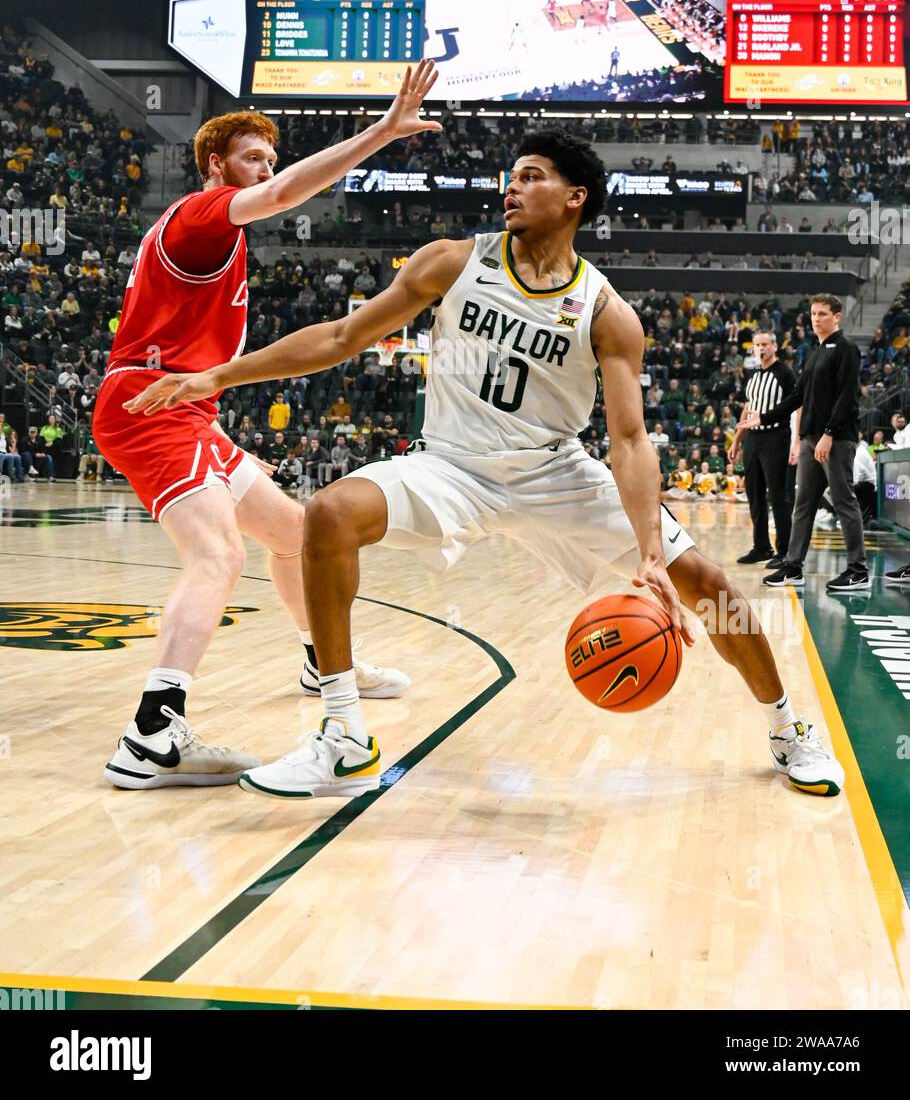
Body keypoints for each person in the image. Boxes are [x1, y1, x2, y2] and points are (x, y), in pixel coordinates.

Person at [128, 126, 844, 802]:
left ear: (574, 199)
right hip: (451, 467)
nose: (511, 187)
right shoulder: (452, 259)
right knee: (329, 513)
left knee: (710, 584)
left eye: (531, 177)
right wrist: (218, 376)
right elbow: (345, 335)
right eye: (510, 176)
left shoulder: (605, 311)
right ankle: (342, 734)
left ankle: (788, 728)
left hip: (554, 472)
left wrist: (652, 549)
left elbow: (628, 440)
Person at [93, 61, 441, 789]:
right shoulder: (199, 215)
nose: (267, 168)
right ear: (216, 164)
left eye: (270, 156)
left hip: (185, 408)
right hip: (153, 404)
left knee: (297, 533)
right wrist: (380, 131)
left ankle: (321, 662)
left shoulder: (214, 240)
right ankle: (152, 735)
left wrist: (222, 440)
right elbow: (284, 195)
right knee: (219, 556)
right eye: (252, 157)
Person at [744, 294, 868, 594]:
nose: (816, 319)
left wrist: (829, 433)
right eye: (814, 313)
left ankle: (857, 570)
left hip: (835, 439)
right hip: (811, 439)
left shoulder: (846, 349)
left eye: (823, 314)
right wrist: (764, 416)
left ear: (837, 317)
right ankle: (793, 565)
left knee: (844, 502)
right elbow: (797, 396)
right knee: (802, 505)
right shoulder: (814, 351)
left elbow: (848, 397)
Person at [728, 331, 797, 566]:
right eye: (757, 345)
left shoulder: (785, 373)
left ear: (775, 346)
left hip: (776, 435)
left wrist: (796, 441)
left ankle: (785, 550)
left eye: (765, 344)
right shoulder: (752, 375)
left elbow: (798, 406)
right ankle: (761, 547)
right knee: (754, 494)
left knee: (777, 495)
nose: (761, 349)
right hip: (753, 440)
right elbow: (747, 409)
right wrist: (737, 440)